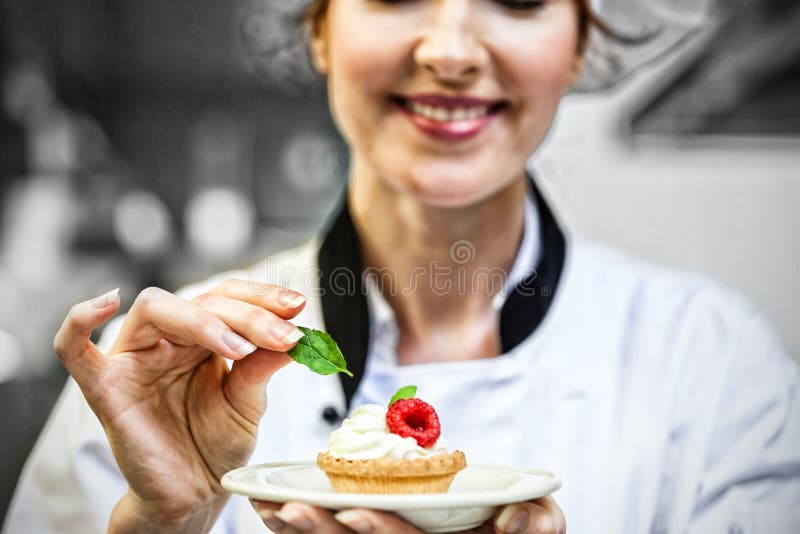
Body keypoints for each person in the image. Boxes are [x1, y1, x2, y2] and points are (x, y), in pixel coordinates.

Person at [5, 0, 800, 533]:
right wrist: (162, 525)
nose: (449, 52)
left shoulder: (713, 368)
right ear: (315, 24)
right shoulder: (158, 379)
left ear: (586, 36)